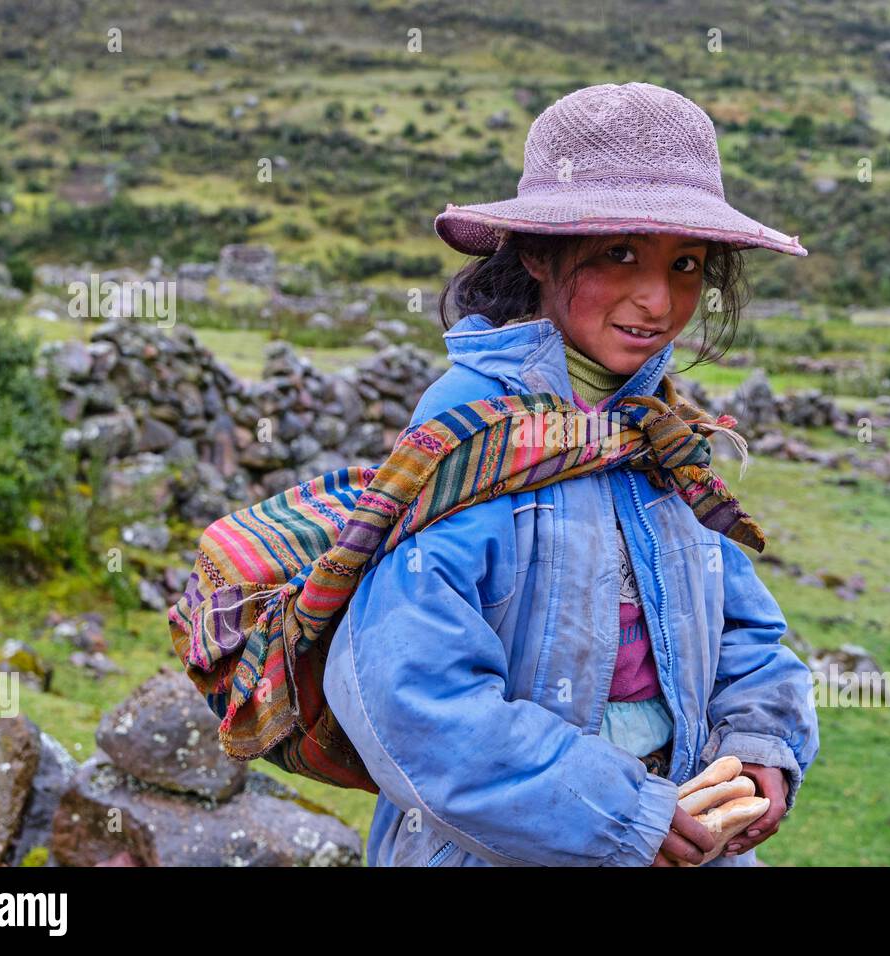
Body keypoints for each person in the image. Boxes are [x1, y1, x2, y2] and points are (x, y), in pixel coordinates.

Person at [322, 81, 818, 867]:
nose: (657, 301)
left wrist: (761, 738)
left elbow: (743, 631)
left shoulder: (656, 435)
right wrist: (618, 817)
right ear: (537, 253)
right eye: (619, 254)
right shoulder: (468, 435)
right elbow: (413, 698)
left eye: (685, 264)